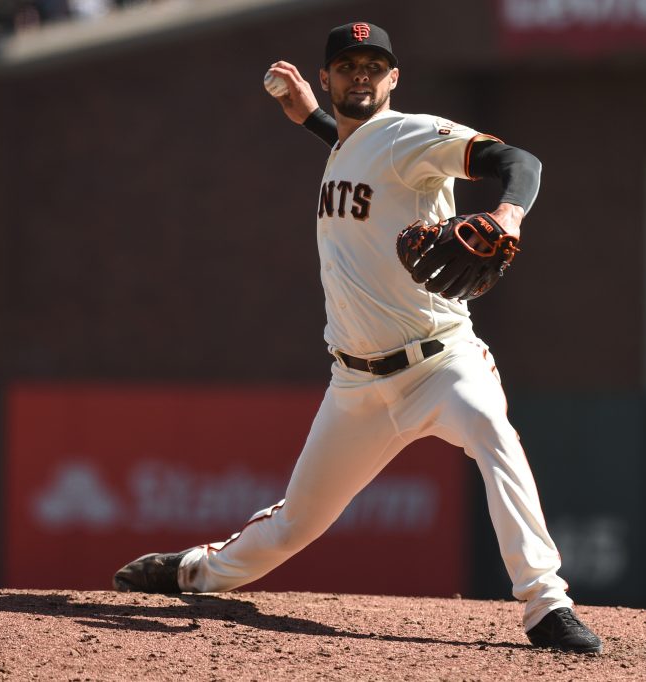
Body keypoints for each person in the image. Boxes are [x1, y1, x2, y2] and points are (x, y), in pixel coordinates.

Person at [113, 21, 603, 654]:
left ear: (395, 77)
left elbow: (518, 161)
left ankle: (546, 603)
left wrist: (507, 212)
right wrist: (314, 119)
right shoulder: (348, 146)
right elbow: (358, 156)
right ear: (328, 77)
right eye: (348, 65)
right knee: (295, 524)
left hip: (441, 362)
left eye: (375, 64)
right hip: (355, 384)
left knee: (493, 436)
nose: (362, 73)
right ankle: (192, 573)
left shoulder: (410, 133)